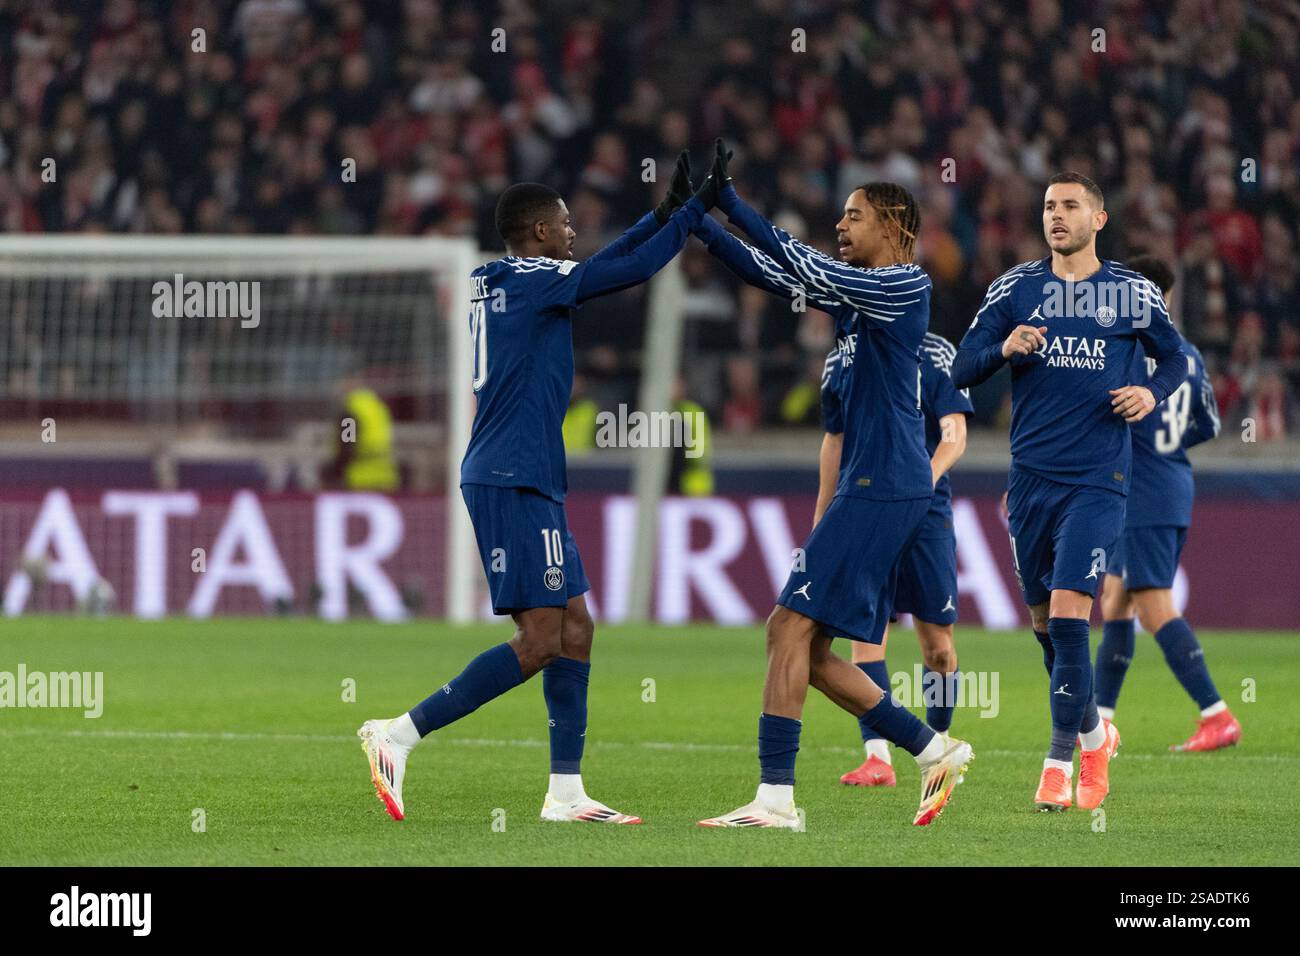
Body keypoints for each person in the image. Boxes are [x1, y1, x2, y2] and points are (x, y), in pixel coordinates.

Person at [358, 152, 713, 823]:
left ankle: (566, 792)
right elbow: (627, 271)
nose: (575, 233)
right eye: (566, 224)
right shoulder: (537, 281)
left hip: (524, 474)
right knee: (543, 639)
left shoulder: (499, 277)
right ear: (541, 233)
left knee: (576, 627)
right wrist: (696, 215)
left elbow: (603, 262)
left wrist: (663, 213)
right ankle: (398, 733)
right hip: (511, 475)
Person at [690, 141, 974, 829]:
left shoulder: (906, 285)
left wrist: (729, 202)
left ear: (894, 229)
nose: (841, 226)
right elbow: (772, 273)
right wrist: (695, 222)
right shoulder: (857, 303)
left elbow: (802, 260)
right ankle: (932, 747)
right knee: (807, 648)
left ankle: (776, 800)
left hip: (888, 483)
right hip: (870, 484)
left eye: (854, 216)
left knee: (786, 628)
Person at [950, 173, 1188, 812]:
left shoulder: (1131, 293)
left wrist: (1150, 392)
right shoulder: (1017, 288)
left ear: (1099, 219)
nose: (1057, 215)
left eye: (1070, 206)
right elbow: (960, 365)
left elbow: (1176, 360)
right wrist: (1003, 346)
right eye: (1050, 206)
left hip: (1099, 479)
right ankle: (1095, 732)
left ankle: (1061, 764)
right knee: (1045, 628)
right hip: (1029, 480)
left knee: (1067, 613)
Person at [1095, 255, 1240, 751]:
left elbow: (1105, 413)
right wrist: (1169, 445)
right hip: (1174, 483)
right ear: (1169, 296)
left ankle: (1216, 713)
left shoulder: (1129, 348)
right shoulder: (1188, 354)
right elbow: (1212, 424)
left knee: (1154, 605)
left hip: (1141, 492)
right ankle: (1100, 721)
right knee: (1115, 600)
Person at [825, 332, 972, 787]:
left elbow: (955, 432)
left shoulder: (936, 351)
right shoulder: (844, 354)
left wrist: (920, 478)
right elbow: (835, 437)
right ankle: (877, 758)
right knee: (866, 634)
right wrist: (821, 516)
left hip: (925, 509)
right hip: (865, 505)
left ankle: (940, 744)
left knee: (939, 650)